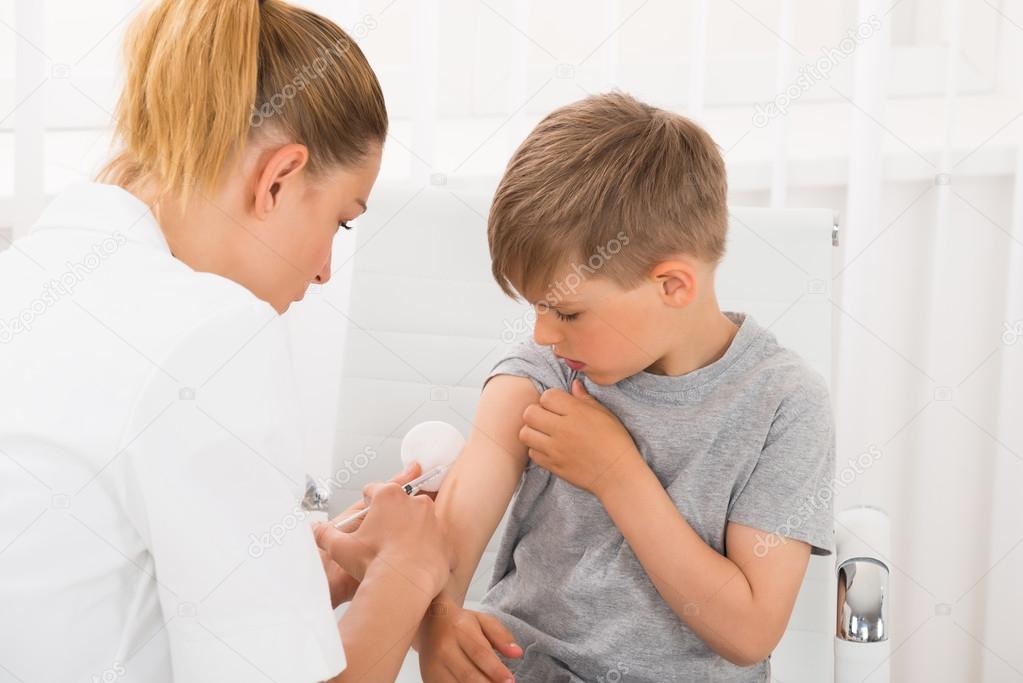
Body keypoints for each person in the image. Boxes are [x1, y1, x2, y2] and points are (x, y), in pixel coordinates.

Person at [0, 1, 450, 681]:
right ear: (278, 178)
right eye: (341, 220)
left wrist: (281, 587)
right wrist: (409, 569)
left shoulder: (35, 270)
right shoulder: (210, 335)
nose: (326, 269)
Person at [414, 93, 836, 682]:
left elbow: (749, 632)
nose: (541, 332)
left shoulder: (784, 405)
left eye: (567, 312)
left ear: (672, 285)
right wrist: (437, 618)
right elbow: (454, 536)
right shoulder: (542, 371)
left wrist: (618, 476)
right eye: (537, 308)